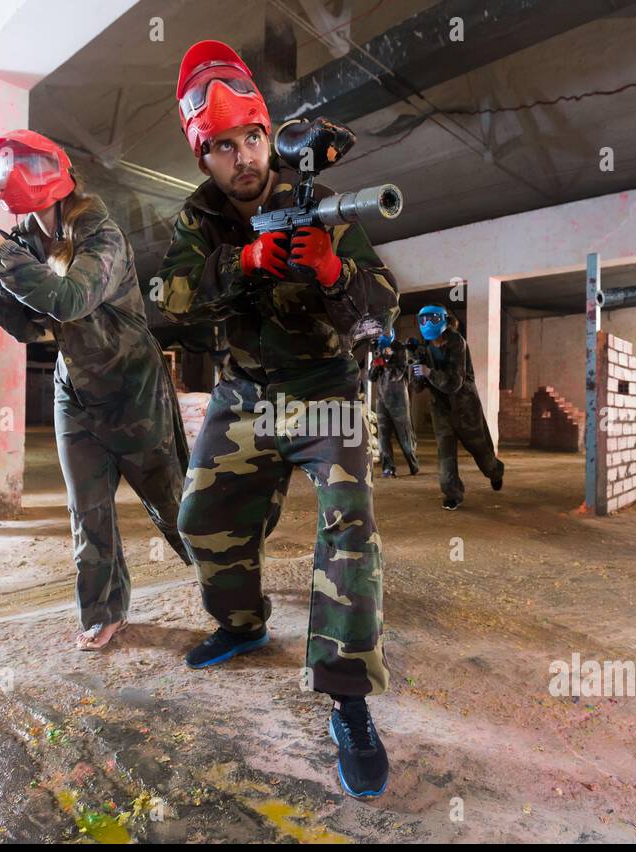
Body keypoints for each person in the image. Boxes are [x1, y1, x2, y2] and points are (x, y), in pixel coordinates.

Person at [157, 40, 398, 797]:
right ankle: (243, 622)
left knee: (348, 529)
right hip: (244, 392)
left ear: (269, 134)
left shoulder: (320, 198)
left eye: (253, 137)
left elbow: (383, 304)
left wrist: (333, 270)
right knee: (200, 518)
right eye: (223, 147)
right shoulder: (196, 220)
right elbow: (172, 305)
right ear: (205, 158)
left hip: (326, 387)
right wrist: (247, 263)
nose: (245, 158)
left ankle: (349, 697)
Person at [0, 129, 191, 650]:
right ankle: (103, 611)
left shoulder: (101, 234)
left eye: (22, 163)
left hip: (131, 387)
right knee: (87, 509)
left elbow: (70, 300)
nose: (13, 173)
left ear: (56, 174)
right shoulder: (26, 238)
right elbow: (28, 325)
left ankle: (226, 580)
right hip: (76, 389)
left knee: (171, 501)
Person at [410, 304, 504, 510]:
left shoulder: (456, 343)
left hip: (465, 406)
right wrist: (415, 369)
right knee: (446, 455)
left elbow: (454, 383)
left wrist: (428, 372)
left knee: (479, 448)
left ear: (443, 320)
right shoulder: (423, 348)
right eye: (423, 320)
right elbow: (417, 388)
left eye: (432, 319)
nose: (427, 324)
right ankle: (452, 494)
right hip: (440, 410)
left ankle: (495, 471)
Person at [368, 332, 419, 477]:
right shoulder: (378, 349)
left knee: (404, 436)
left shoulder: (400, 349)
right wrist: (376, 364)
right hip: (382, 399)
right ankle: (388, 468)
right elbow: (372, 377)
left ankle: (413, 464)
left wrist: (388, 359)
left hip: (399, 399)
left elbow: (399, 374)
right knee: (383, 437)